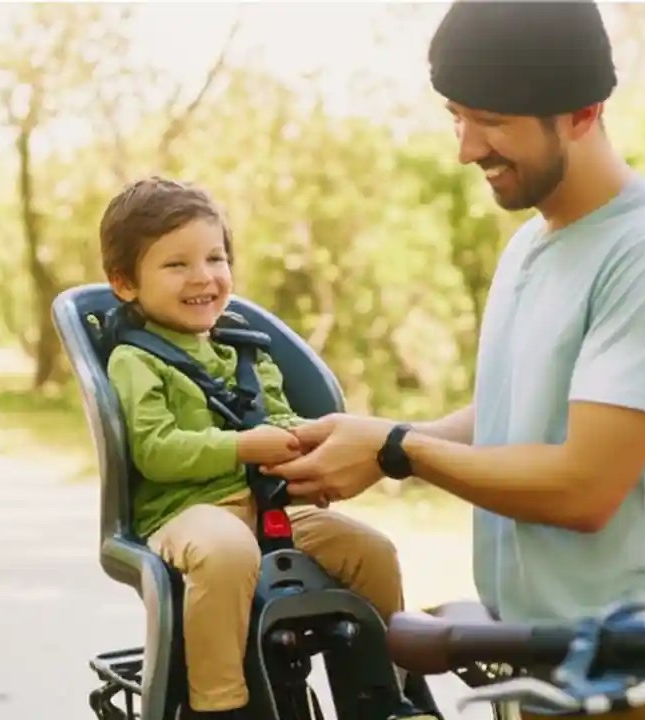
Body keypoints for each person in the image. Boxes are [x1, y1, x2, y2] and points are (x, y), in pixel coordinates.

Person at [263, 2, 645, 719]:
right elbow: (519, 413)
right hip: (554, 673)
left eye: (491, 119)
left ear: (583, 113)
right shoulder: (533, 245)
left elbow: (584, 487)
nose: (466, 148)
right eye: (455, 115)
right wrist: (378, 436)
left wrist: (400, 451)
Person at [99, 177, 413, 720]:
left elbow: (280, 417)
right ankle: (221, 707)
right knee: (227, 551)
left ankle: (385, 694)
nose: (203, 277)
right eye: (177, 265)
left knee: (371, 550)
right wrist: (245, 446)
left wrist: (308, 439)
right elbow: (155, 450)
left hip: (268, 511)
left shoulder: (245, 348)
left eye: (215, 258)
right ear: (126, 283)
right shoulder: (135, 361)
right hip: (186, 515)